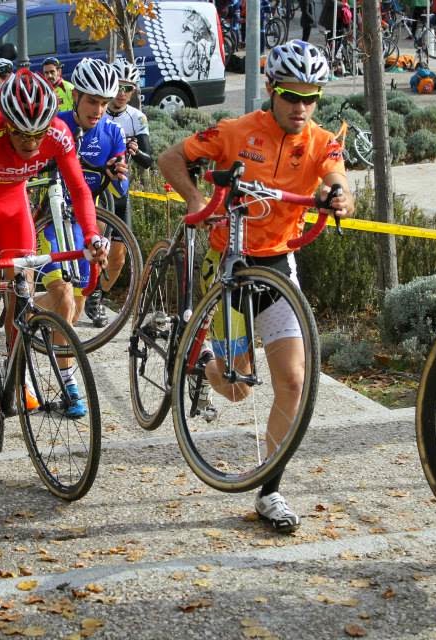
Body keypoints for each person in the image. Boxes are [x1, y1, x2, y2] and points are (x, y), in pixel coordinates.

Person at [158, 40, 353, 533]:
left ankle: (270, 489)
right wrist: (199, 202)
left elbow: (335, 174)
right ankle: (198, 360)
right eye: (291, 96)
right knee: (238, 390)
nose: (301, 107)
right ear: (272, 90)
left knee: (293, 381)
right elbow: (170, 158)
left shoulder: (321, 140)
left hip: (278, 270)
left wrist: (339, 196)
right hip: (228, 268)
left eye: (311, 97)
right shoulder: (235, 131)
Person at [0, 69, 108, 418]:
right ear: (6, 125)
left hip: (14, 207)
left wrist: (91, 234)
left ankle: (18, 372)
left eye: (38, 135)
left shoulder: (59, 135)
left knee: (22, 288)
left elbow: (79, 190)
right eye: (21, 135)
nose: (32, 144)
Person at [36, 58, 128, 345]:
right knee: (63, 299)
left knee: (72, 310)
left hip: (81, 225)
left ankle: (28, 317)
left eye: (104, 103)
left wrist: (116, 176)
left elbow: (121, 191)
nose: (98, 110)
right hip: (48, 220)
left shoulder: (113, 133)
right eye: (92, 101)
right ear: (75, 96)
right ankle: (64, 378)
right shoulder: (54, 125)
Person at [94, 58, 152, 327]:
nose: (122, 93)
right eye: (118, 86)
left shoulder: (137, 117)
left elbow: (148, 159)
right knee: (94, 248)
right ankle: (84, 289)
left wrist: (135, 150)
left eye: (128, 88)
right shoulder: (97, 110)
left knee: (118, 257)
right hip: (95, 189)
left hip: (119, 190)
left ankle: (97, 295)